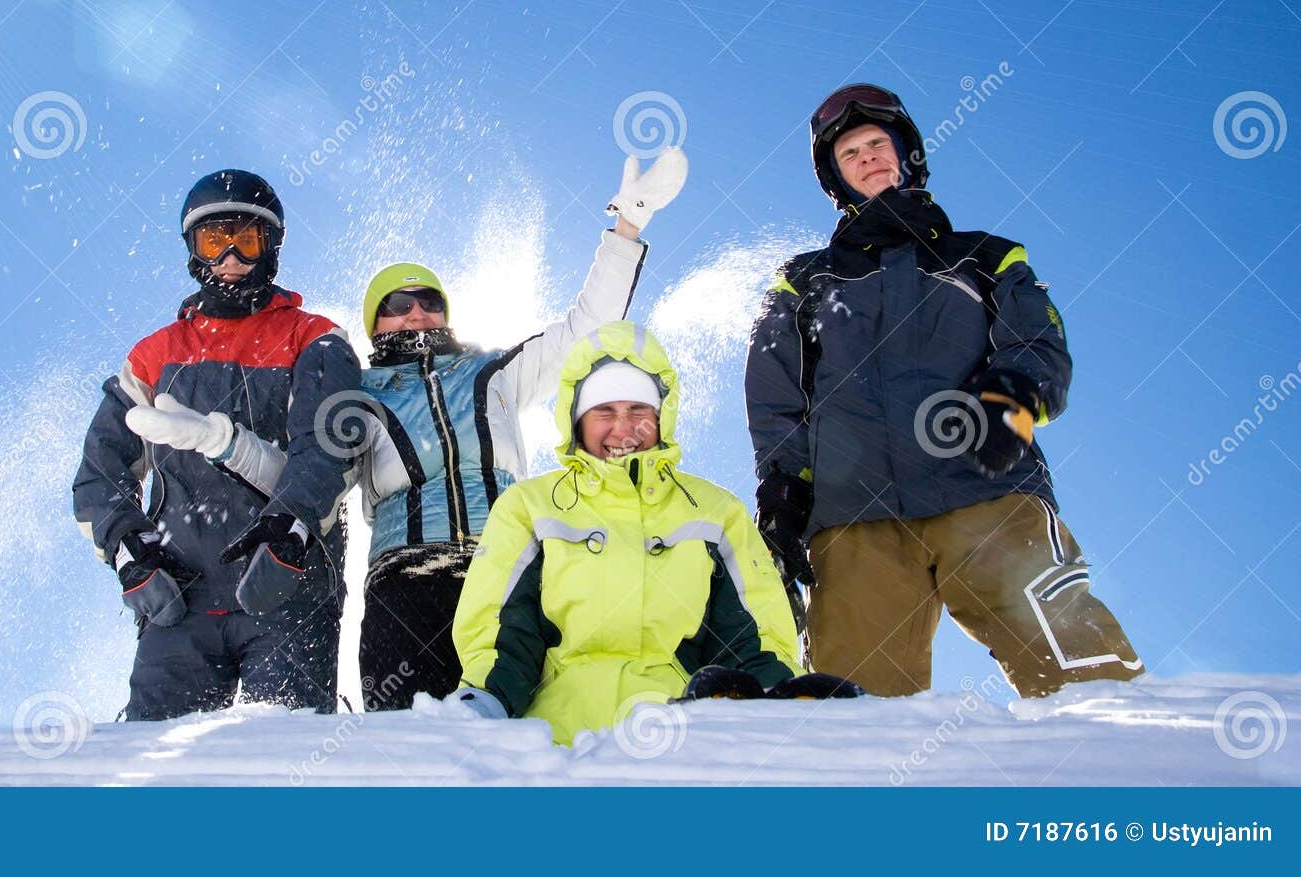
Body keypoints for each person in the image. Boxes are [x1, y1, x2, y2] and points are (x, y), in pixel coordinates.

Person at [198, 147, 688, 709]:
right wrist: (225, 442)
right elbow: (309, 478)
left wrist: (626, 227)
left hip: (506, 571)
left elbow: (587, 328)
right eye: (397, 303)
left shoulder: (493, 374)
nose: (415, 313)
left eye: (428, 301)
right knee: (411, 751)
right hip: (402, 588)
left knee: (526, 734)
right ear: (373, 321)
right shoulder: (355, 394)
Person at [745, 83, 1143, 699]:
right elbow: (775, 395)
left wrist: (1011, 398)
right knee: (852, 721)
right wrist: (783, 484)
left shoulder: (986, 257)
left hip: (987, 493)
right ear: (836, 179)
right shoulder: (804, 280)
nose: (869, 158)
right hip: (855, 520)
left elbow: (1037, 343)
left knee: (1088, 680)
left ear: (908, 155)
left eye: (878, 144)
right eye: (851, 154)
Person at [450, 321, 846, 745]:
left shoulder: (715, 512)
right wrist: (486, 701)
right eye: (603, 411)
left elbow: (752, 634)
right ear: (576, 418)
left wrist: (775, 693)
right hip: (554, 743)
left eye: (639, 411)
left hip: (682, 740)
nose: (623, 428)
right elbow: (501, 631)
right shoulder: (530, 506)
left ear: (662, 416)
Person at [72, 169, 361, 721]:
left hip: (284, 581)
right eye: (214, 240)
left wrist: (292, 525)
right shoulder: (154, 355)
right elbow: (98, 471)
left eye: (246, 240)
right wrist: (129, 551)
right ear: (193, 251)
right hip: (182, 596)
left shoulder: (313, 336)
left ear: (270, 248)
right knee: (154, 757)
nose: (230, 256)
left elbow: (330, 443)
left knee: (284, 756)